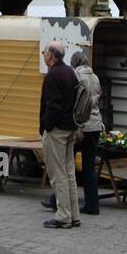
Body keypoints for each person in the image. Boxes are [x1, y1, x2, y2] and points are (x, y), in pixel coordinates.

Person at [43, 50, 104, 217]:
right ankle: (92, 204)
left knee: (64, 166)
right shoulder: (95, 77)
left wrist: (76, 126)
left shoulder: (76, 76)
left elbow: (76, 103)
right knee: (89, 167)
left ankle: (57, 200)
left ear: (74, 62)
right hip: (96, 125)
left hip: (81, 126)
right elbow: (98, 97)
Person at [39, 41, 79, 229]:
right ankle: (74, 214)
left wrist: (47, 126)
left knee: (58, 174)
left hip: (57, 130)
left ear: (51, 55)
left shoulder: (53, 76)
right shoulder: (70, 72)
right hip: (71, 127)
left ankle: (63, 215)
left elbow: (53, 105)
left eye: (44, 52)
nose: (43, 55)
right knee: (69, 173)